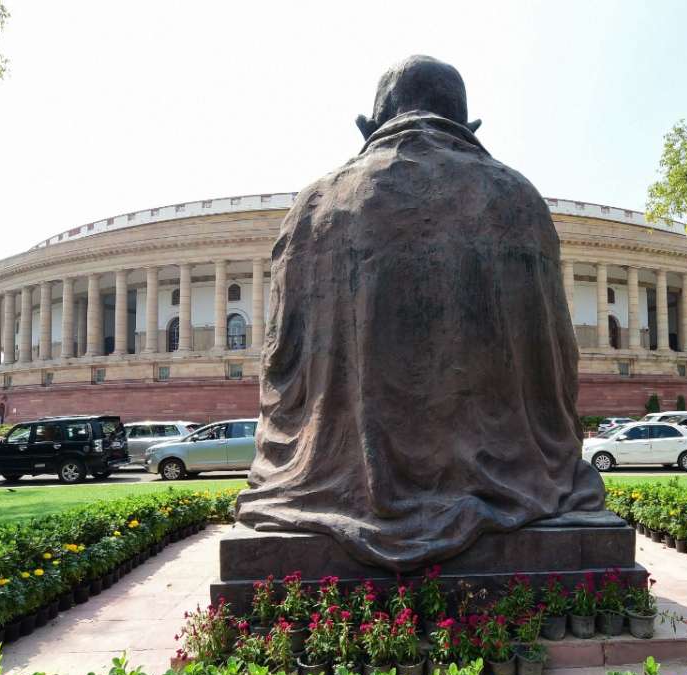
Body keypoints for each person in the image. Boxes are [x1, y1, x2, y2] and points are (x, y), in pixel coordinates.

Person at [236, 56, 607, 571]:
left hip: (335, 481)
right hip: (518, 476)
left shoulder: (316, 204)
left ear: (369, 125)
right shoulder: (520, 198)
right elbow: (558, 358)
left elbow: (281, 357)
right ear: (468, 125)